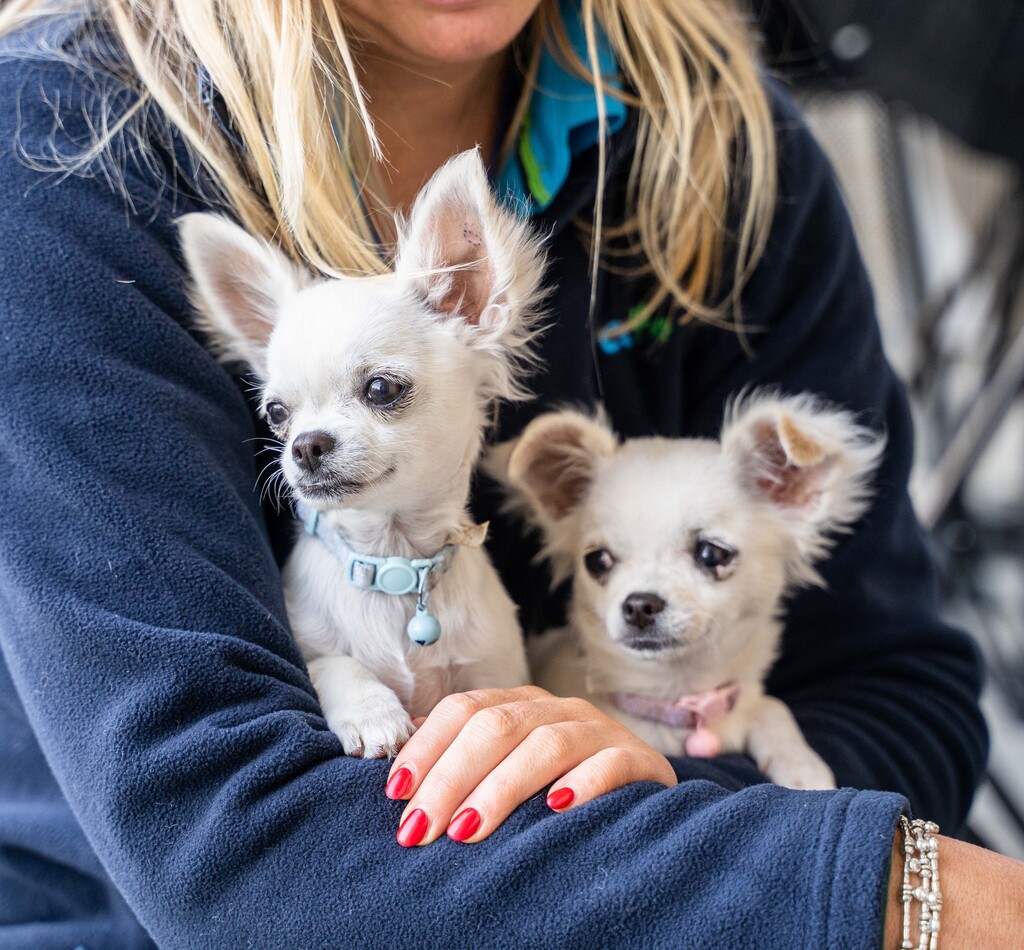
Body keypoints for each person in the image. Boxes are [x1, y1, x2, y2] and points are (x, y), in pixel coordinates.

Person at [0, 0, 1019, 947]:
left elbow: (893, 689)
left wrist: (650, 768)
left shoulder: (717, 137)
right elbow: (241, 862)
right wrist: (887, 889)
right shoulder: (64, 157)